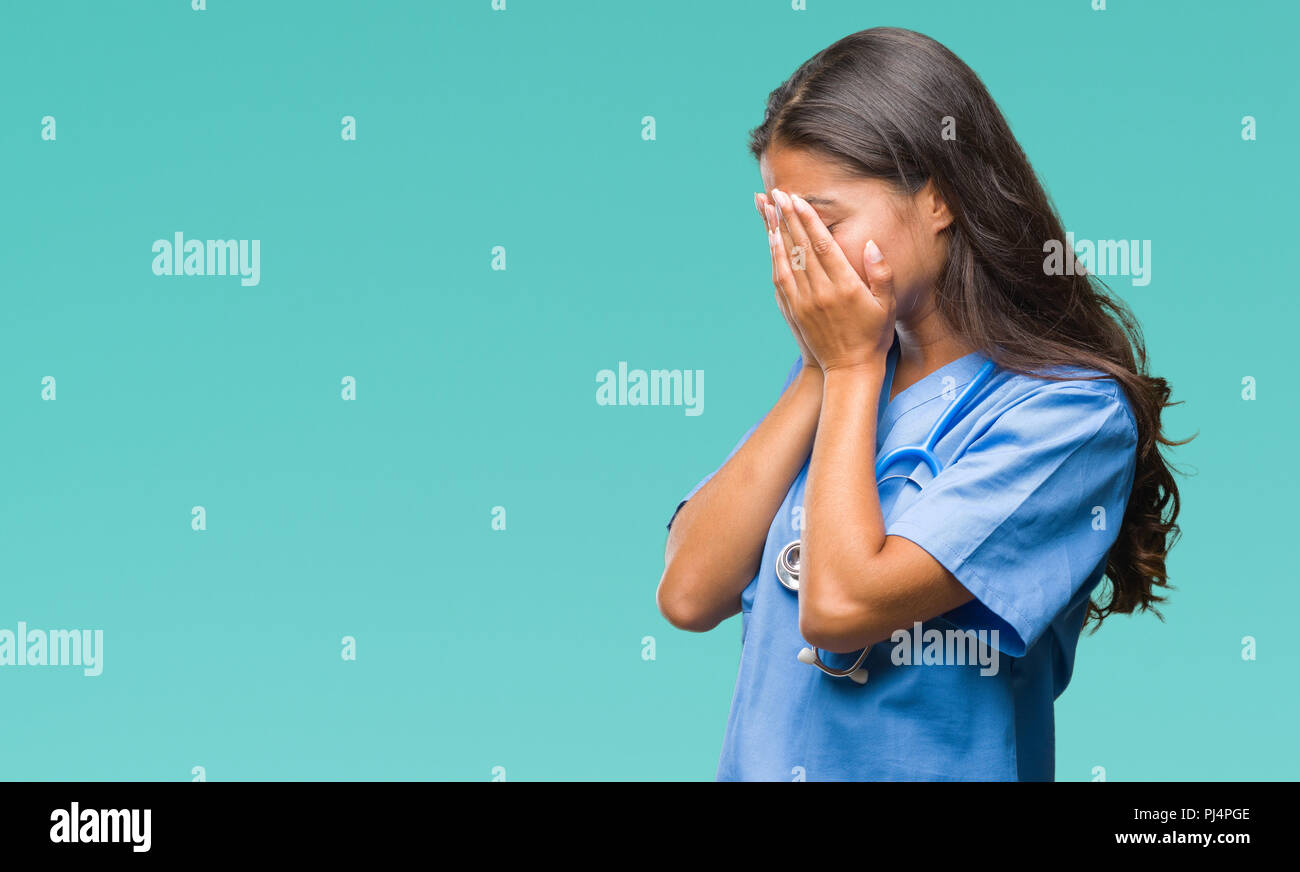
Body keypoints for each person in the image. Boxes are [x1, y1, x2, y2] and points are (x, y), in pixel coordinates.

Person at [657, 27, 1188, 781]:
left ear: (938, 197)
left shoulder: (1070, 418)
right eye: (783, 231)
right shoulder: (841, 377)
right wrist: (823, 371)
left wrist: (845, 368)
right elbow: (687, 592)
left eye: (825, 222)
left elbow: (840, 608)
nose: (801, 262)